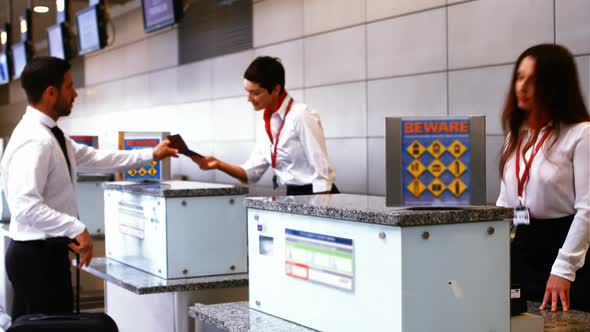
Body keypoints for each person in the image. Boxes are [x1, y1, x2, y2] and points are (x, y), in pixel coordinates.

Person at [0, 56, 178, 319]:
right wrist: (77, 228)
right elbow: (26, 207)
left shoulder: (51, 135)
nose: (75, 94)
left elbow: (97, 159)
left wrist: (151, 154)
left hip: (46, 255)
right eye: (69, 86)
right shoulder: (35, 141)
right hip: (36, 258)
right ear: (51, 92)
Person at [496, 44, 590, 312]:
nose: (521, 87)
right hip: (521, 244)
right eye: (519, 77)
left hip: (562, 248)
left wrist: (563, 269)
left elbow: (587, 209)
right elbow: (505, 201)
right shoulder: (517, 135)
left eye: (532, 79)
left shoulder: (581, 134)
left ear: (555, 84)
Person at [192, 56, 338, 195]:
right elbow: (251, 174)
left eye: (255, 93)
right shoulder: (265, 123)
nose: (249, 99)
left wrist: (320, 211)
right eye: (247, 92)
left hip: (319, 195)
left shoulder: (301, 115)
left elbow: (323, 174)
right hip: (293, 193)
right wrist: (218, 164)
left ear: (276, 89)